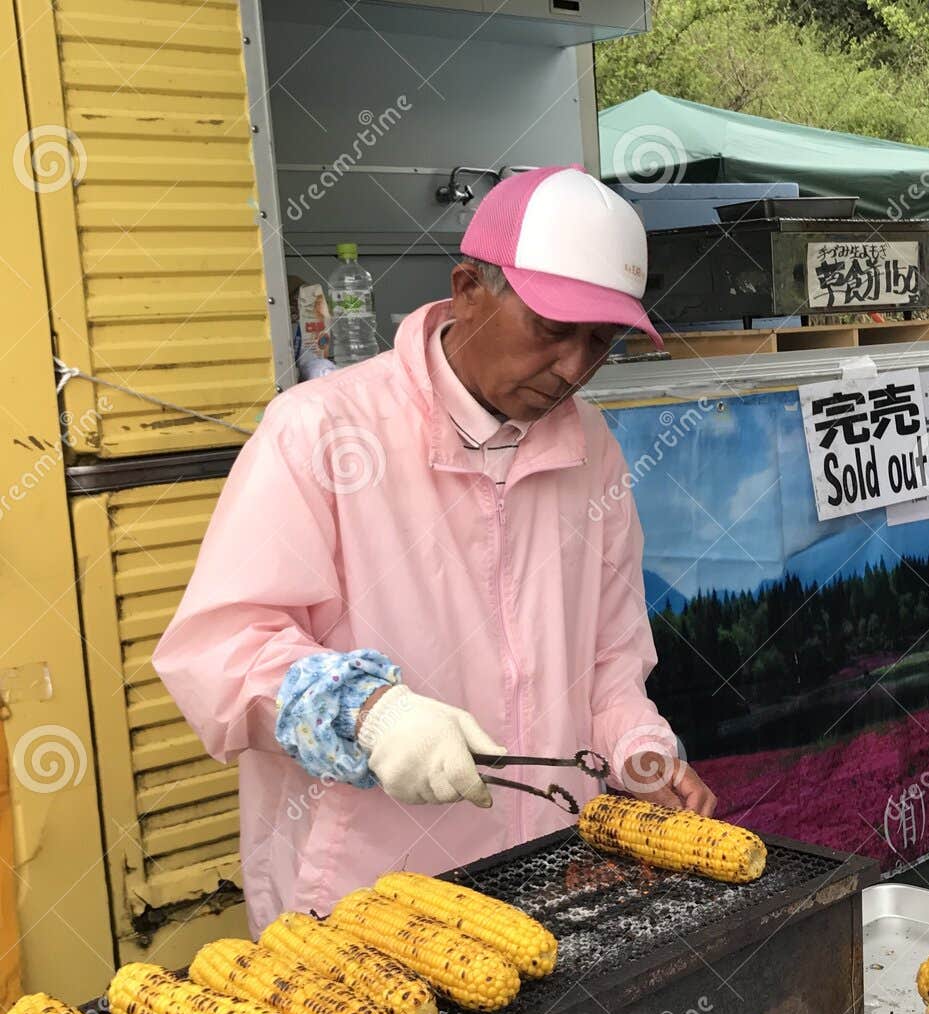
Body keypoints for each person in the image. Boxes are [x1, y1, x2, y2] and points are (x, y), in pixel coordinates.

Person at [154, 166, 715, 935]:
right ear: (467, 289)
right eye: (552, 330)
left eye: (601, 342)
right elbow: (216, 650)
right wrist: (368, 713)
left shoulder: (592, 449)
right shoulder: (320, 432)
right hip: (361, 904)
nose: (573, 368)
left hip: (547, 883)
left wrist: (640, 749)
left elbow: (610, 660)